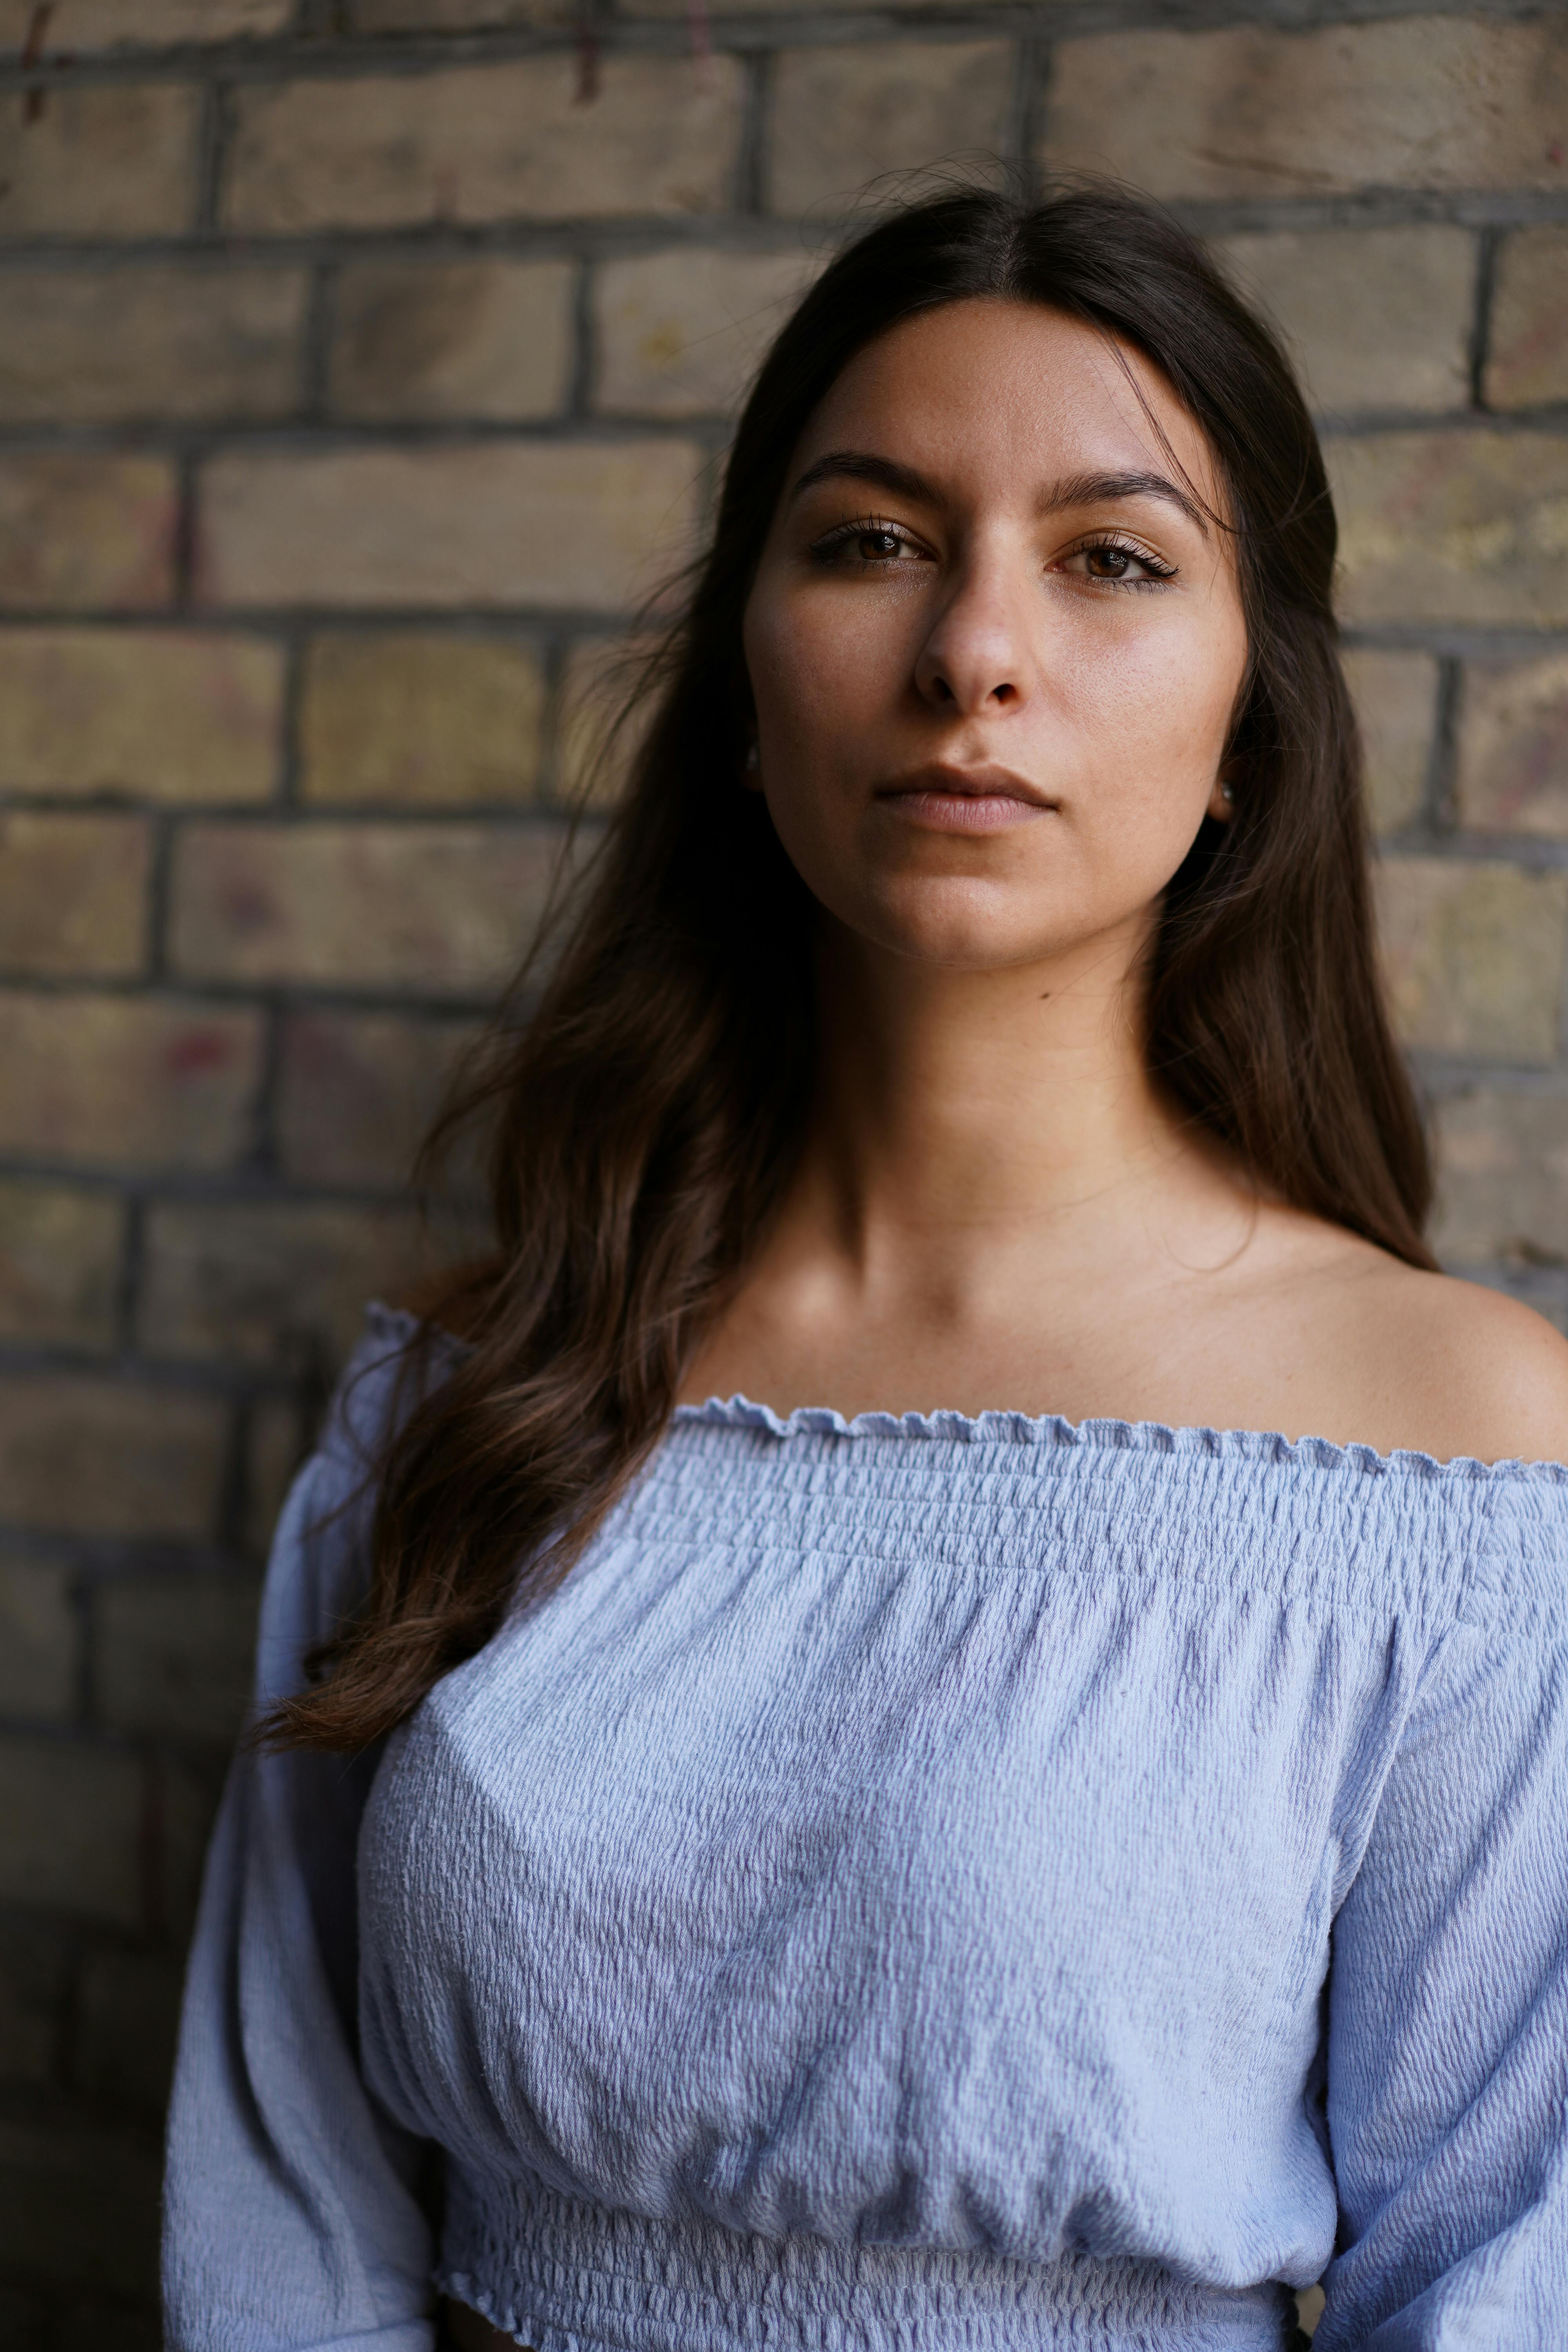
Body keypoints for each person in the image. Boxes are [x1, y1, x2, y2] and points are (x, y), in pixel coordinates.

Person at [163, 185, 1568, 2352]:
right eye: (871, 541)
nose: (971, 655)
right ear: (745, 684)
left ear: (1249, 735)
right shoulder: (477, 1383)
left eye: (1111, 559)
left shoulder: (1454, 1457)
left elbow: (1505, 2268)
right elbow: (283, 2205)